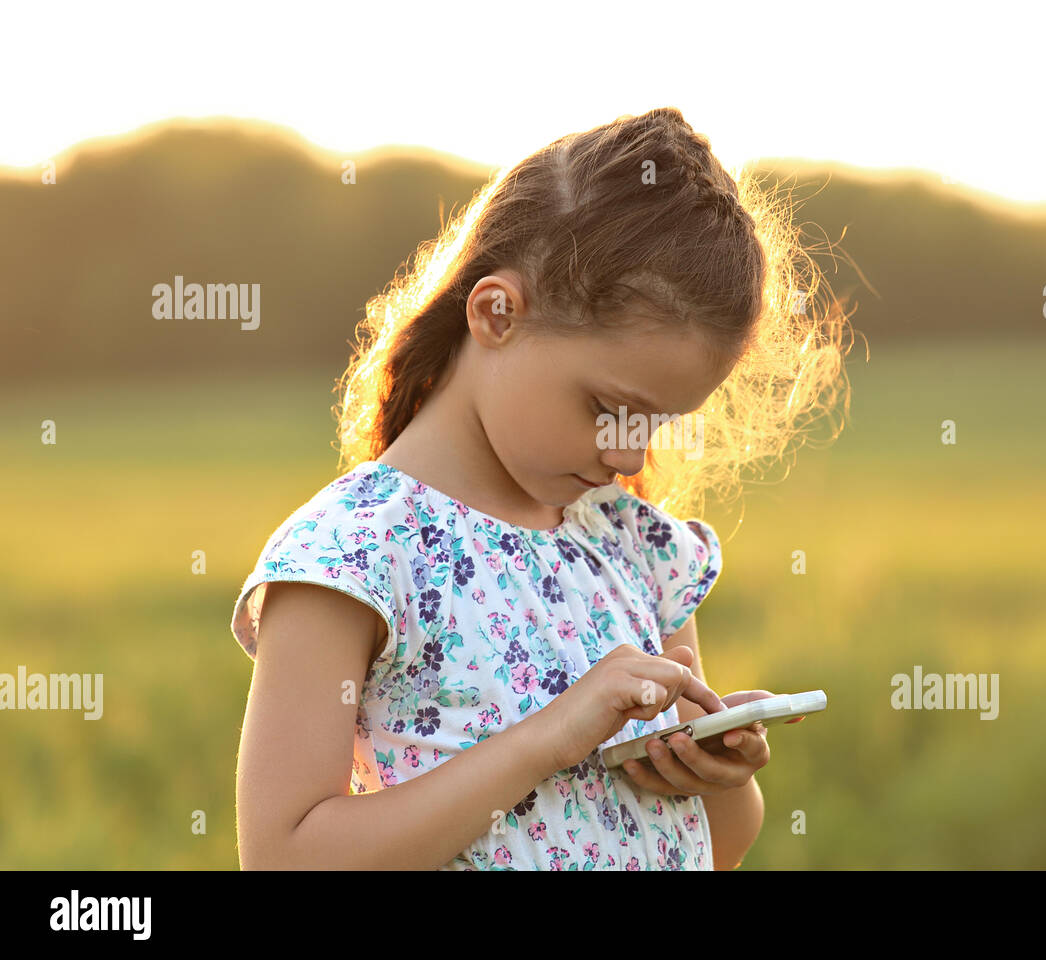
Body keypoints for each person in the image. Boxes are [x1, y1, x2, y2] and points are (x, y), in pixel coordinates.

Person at [230, 106, 853, 870]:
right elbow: (285, 857)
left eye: (655, 424)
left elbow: (714, 847)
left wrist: (713, 773)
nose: (630, 457)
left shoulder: (632, 544)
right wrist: (550, 739)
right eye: (605, 408)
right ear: (497, 313)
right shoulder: (355, 551)